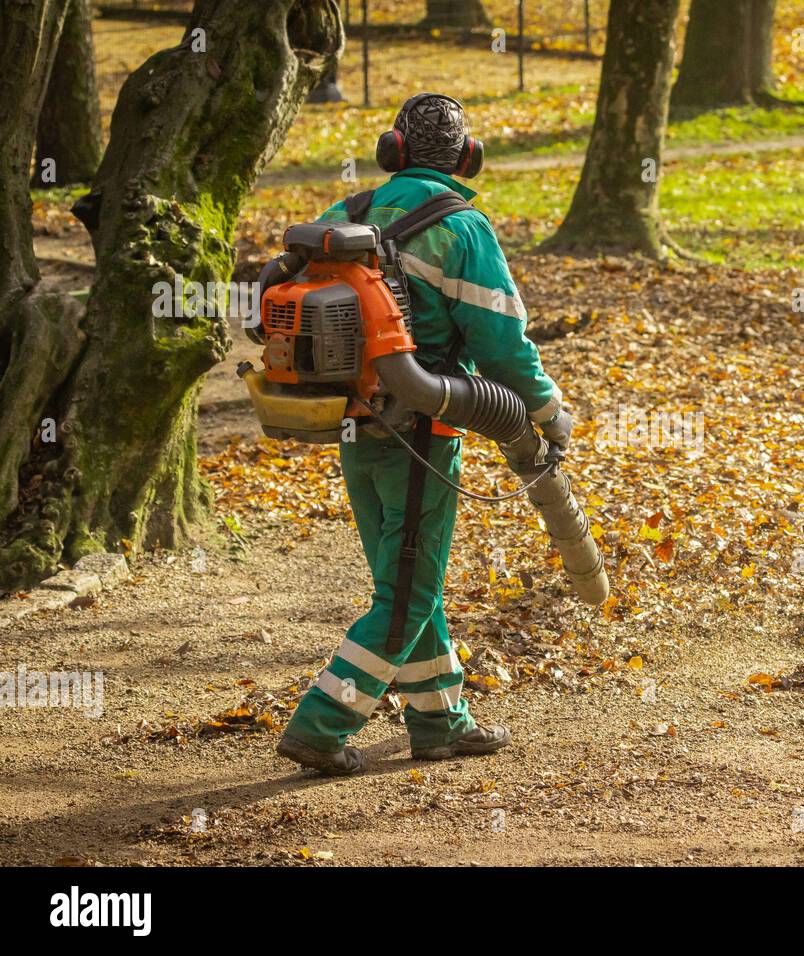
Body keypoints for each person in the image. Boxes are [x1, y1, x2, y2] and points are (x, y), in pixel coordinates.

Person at [275, 93, 572, 775]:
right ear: (468, 158)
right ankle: (321, 725)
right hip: (423, 429)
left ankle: (439, 720)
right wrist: (549, 410)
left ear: (393, 152)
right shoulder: (463, 229)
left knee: (406, 579)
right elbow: (501, 345)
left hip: (351, 422)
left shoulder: (346, 214)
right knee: (407, 589)